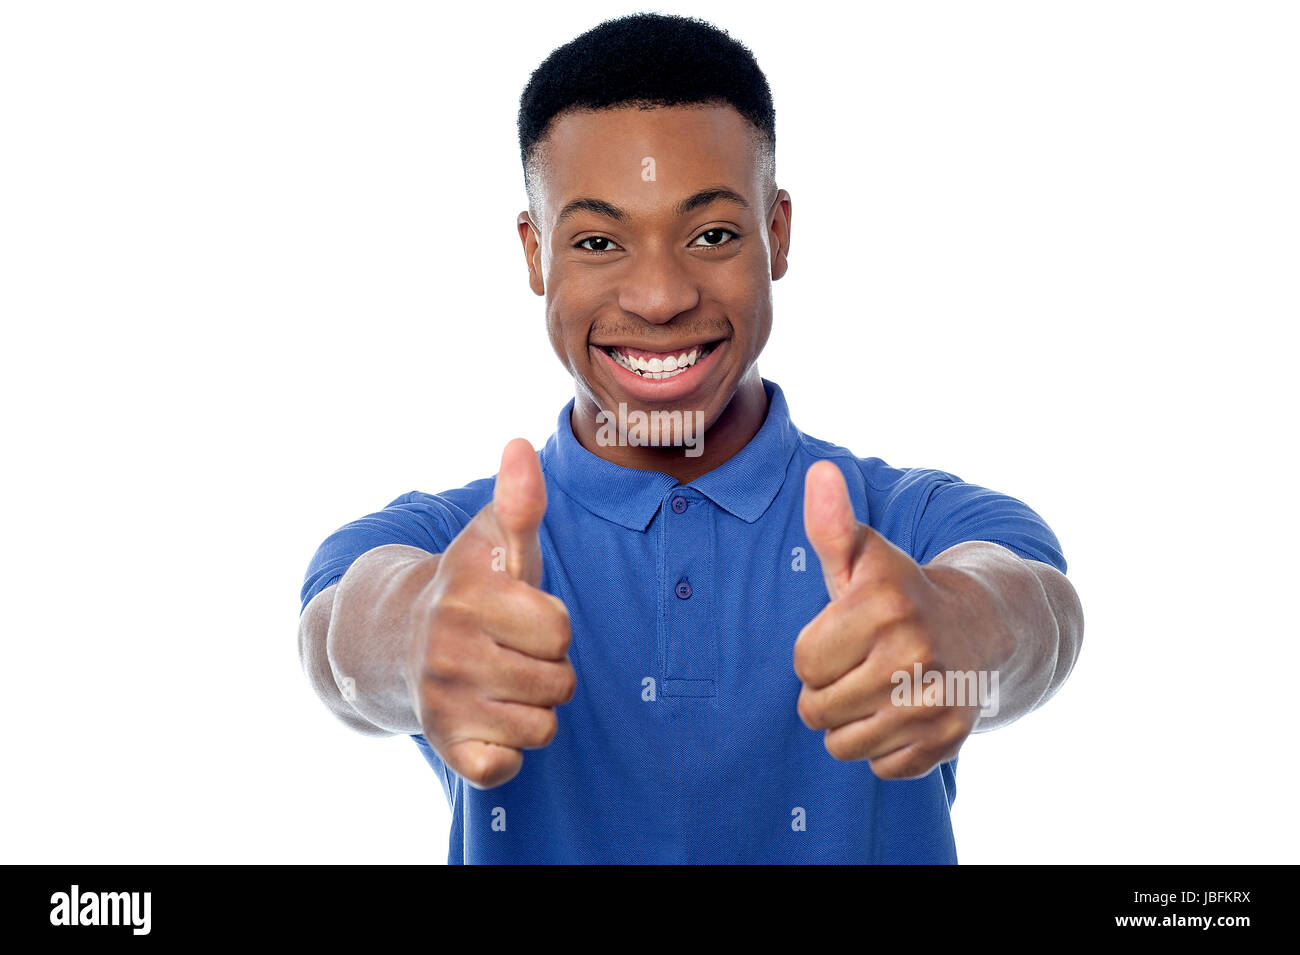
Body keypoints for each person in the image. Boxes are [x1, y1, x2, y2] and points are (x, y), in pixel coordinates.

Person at [297, 12, 1084, 864]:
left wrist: (960, 635)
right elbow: (340, 640)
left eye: (711, 234)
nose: (661, 296)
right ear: (535, 255)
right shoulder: (451, 549)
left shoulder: (909, 521)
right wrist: (414, 638)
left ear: (777, 235)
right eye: (598, 241)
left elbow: (1039, 620)